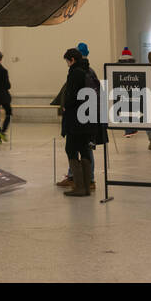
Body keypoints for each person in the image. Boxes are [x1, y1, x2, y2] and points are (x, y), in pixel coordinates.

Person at [60, 49, 94, 198]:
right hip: (87, 118)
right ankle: (86, 186)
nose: (67, 64)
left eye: (67, 61)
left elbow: (72, 95)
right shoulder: (88, 71)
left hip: (76, 118)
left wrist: (65, 104)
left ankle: (79, 186)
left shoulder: (75, 73)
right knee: (84, 149)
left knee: (71, 149)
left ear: (72, 59)